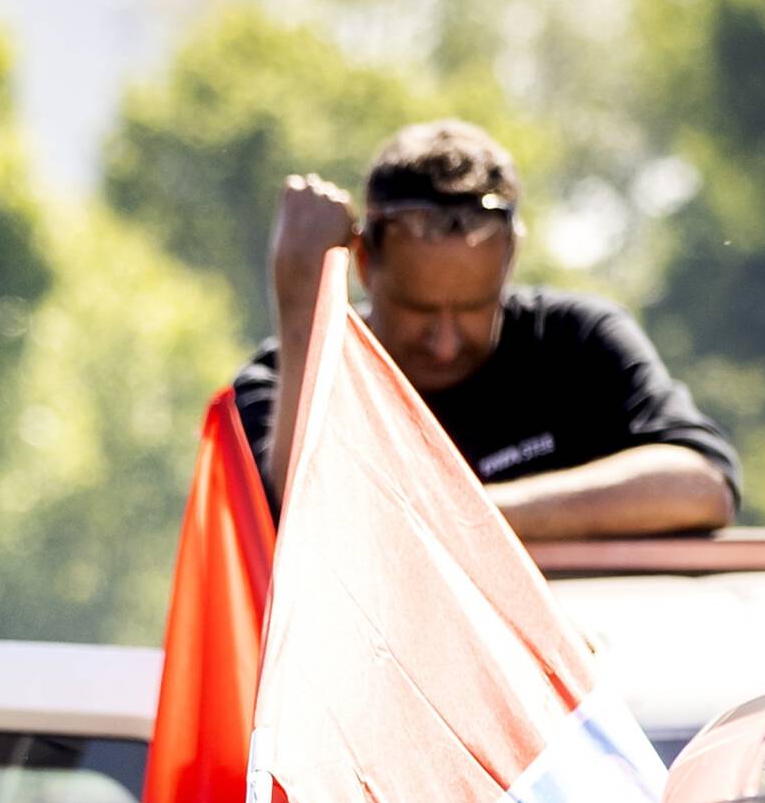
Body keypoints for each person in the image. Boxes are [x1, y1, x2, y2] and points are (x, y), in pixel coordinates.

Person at [238, 119, 738, 541]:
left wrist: (460, 521)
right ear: (365, 264)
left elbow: (702, 486)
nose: (446, 341)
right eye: (419, 311)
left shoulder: (578, 343)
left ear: (511, 258)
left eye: (475, 308)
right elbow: (306, 517)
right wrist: (305, 301)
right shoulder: (288, 379)